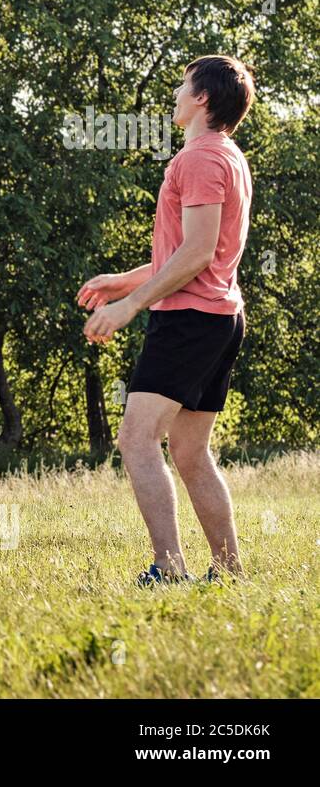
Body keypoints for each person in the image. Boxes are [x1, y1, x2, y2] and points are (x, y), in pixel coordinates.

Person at [78, 56, 254, 585]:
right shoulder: (228, 157)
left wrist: (130, 307)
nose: (176, 92)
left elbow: (199, 252)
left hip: (189, 320)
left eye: (183, 84)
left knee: (137, 439)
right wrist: (124, 281)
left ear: (202, 98)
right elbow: (193, 252)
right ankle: (228, 572)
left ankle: (169, 568)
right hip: (219, 317)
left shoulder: (198, 160)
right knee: (189, 452)